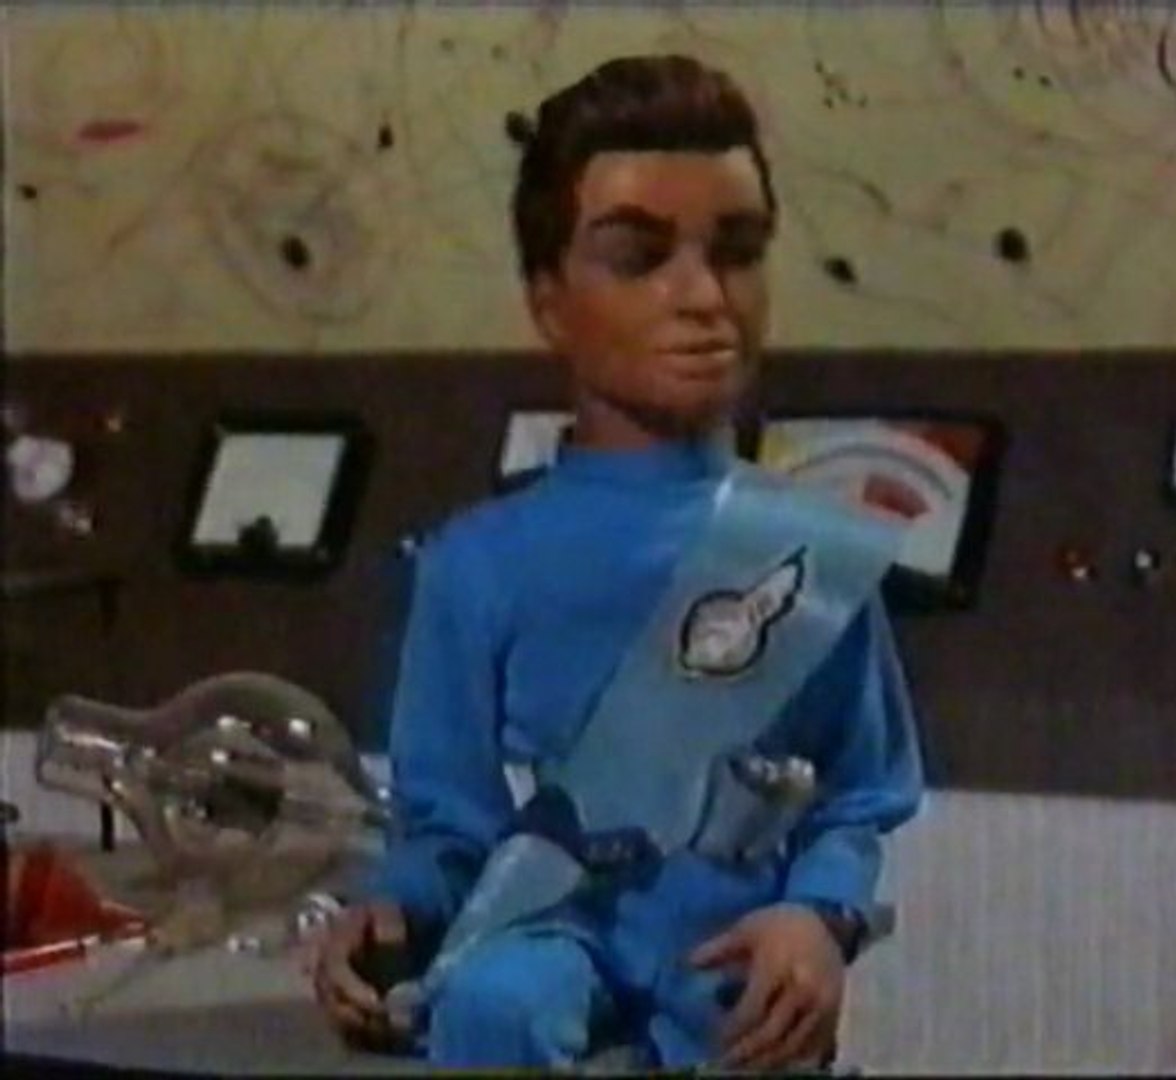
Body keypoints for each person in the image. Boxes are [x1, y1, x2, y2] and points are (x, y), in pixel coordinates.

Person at [310, 53, 924, 1071]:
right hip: (550, 933)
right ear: (549, 300)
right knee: (493, 1004)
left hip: (731, 961)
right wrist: (388, 913)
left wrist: (820, 916)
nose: (703, 296)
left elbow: (858, 795)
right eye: (638, 257)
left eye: (738, 251)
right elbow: (446, 829)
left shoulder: (813, 550)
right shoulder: (477, 564)